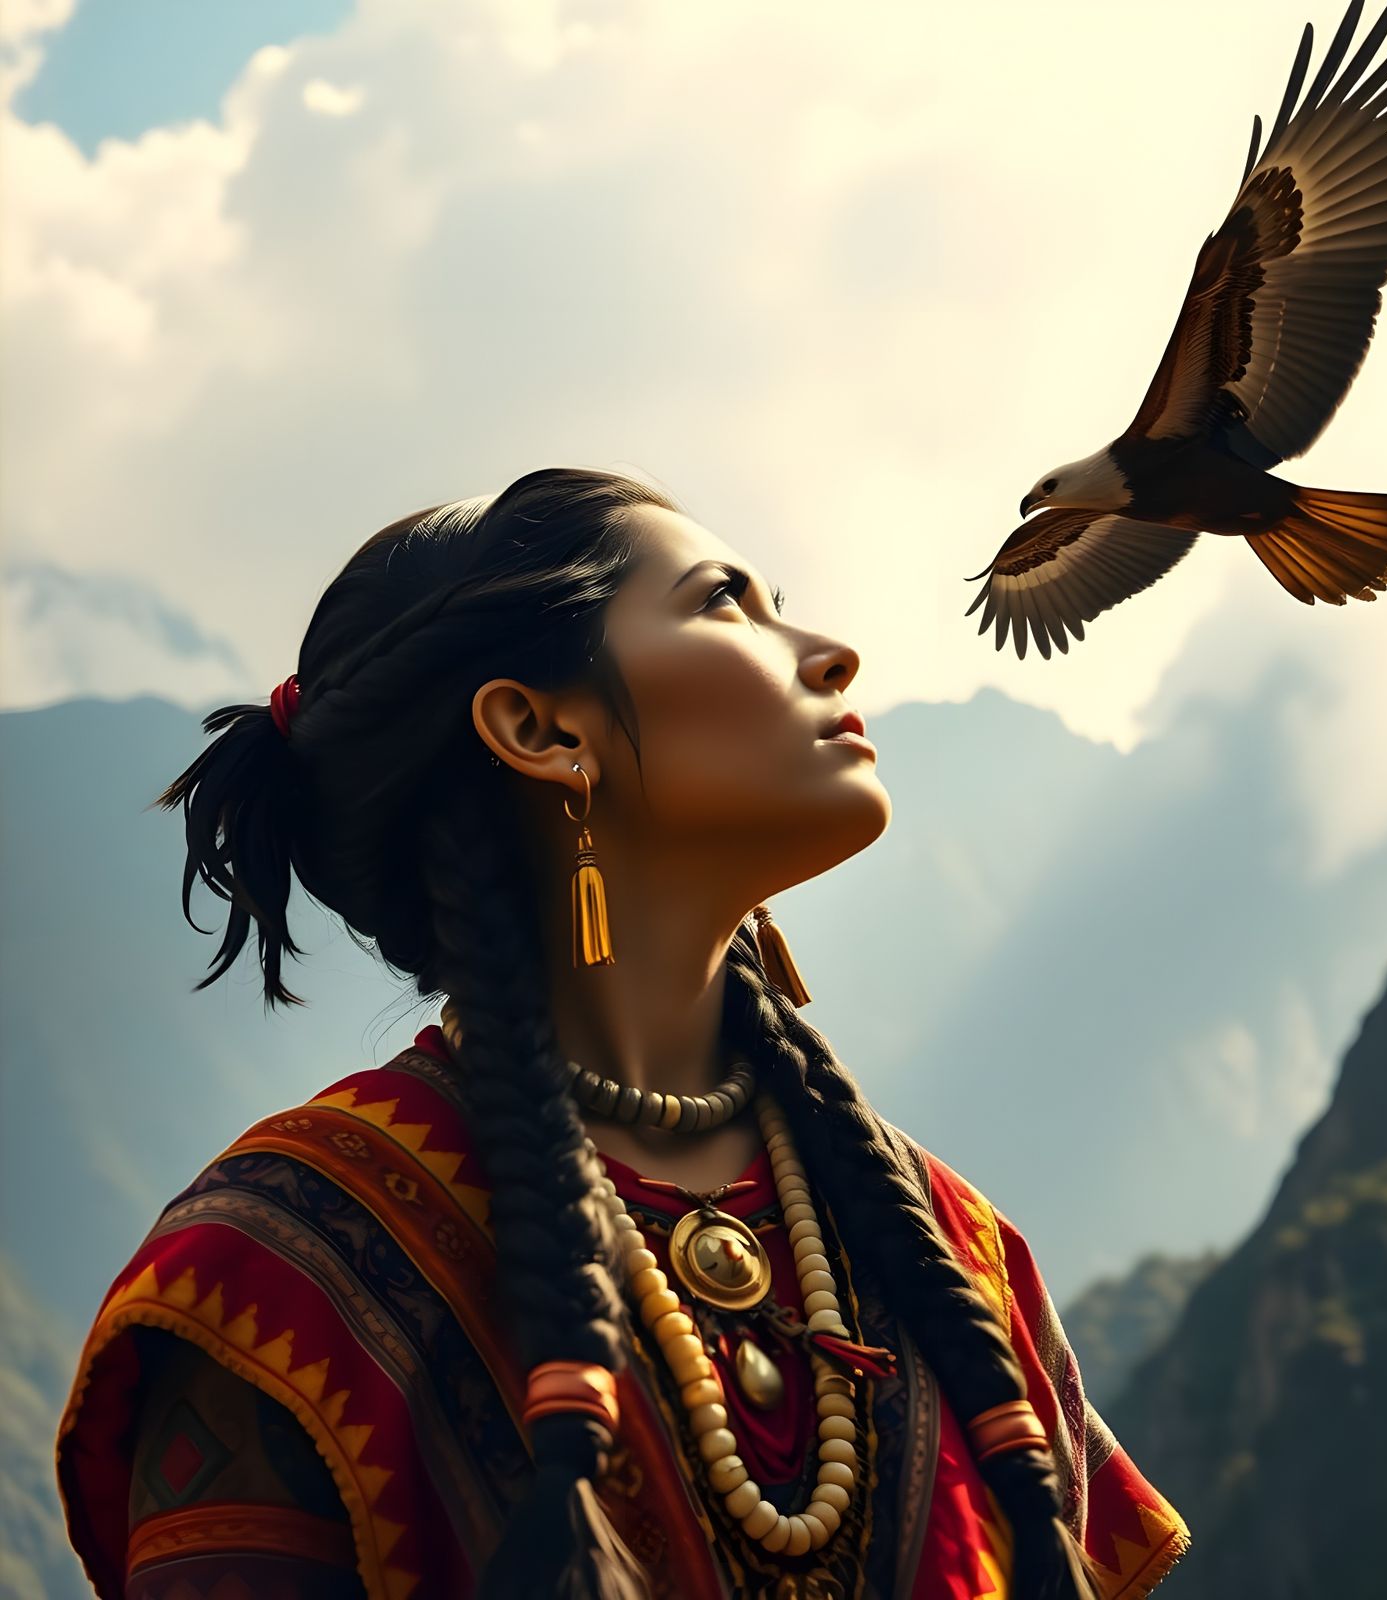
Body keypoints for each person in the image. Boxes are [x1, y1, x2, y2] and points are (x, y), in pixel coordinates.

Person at [55, 467, 1189, 1599]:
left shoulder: (957, 1250)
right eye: (723, 602)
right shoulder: (282, 1263)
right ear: (537, 727)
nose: (830, 651)